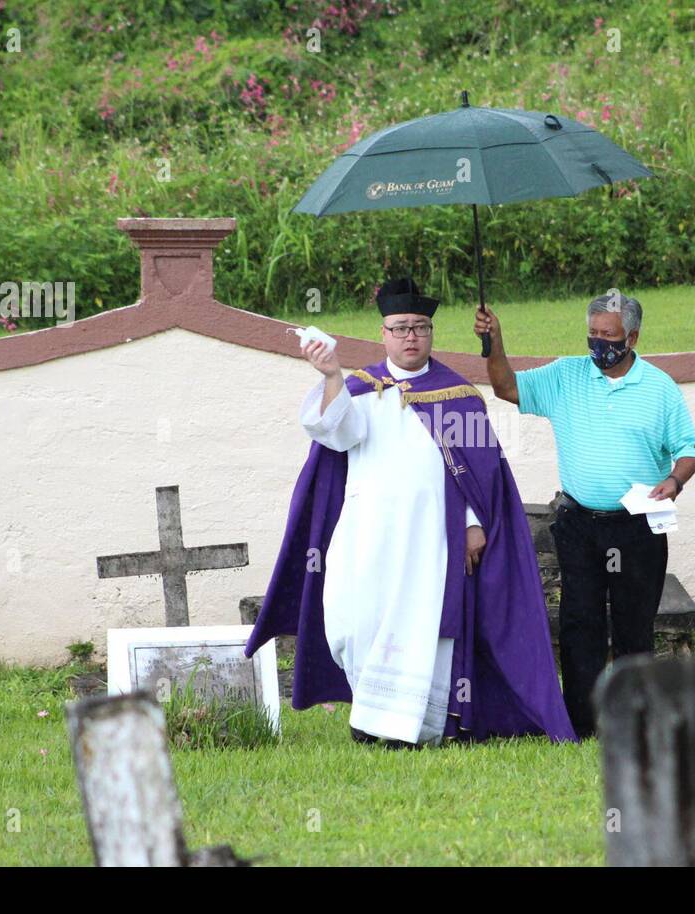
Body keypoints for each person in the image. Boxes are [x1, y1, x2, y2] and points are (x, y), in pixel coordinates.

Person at [246, 277, 576, 747]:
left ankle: (415, 728)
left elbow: (483, 477)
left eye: (420, 327)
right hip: (366, 536)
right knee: (353, 622)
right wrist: (332, 376)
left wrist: (473, 525)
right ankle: (368, 717)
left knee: (424, 629)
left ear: (431, 333)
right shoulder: (359, 389)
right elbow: (333, 432)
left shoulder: (459, 396)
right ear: (383, 333)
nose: (410, 337)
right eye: (400, 328)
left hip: (431, 539)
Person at [474, 292, 695, 738]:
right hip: (579, 524)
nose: (599, 344)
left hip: (639, 525)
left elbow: (689, 450)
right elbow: (506, 388)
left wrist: (674, 482)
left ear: (633, 337)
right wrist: (495, 341)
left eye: (609, 336)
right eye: (592, 335)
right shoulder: (567, 375)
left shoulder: (659, 388)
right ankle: (581, 722)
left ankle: (636, 721)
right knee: (581, 623)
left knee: (635, 624)